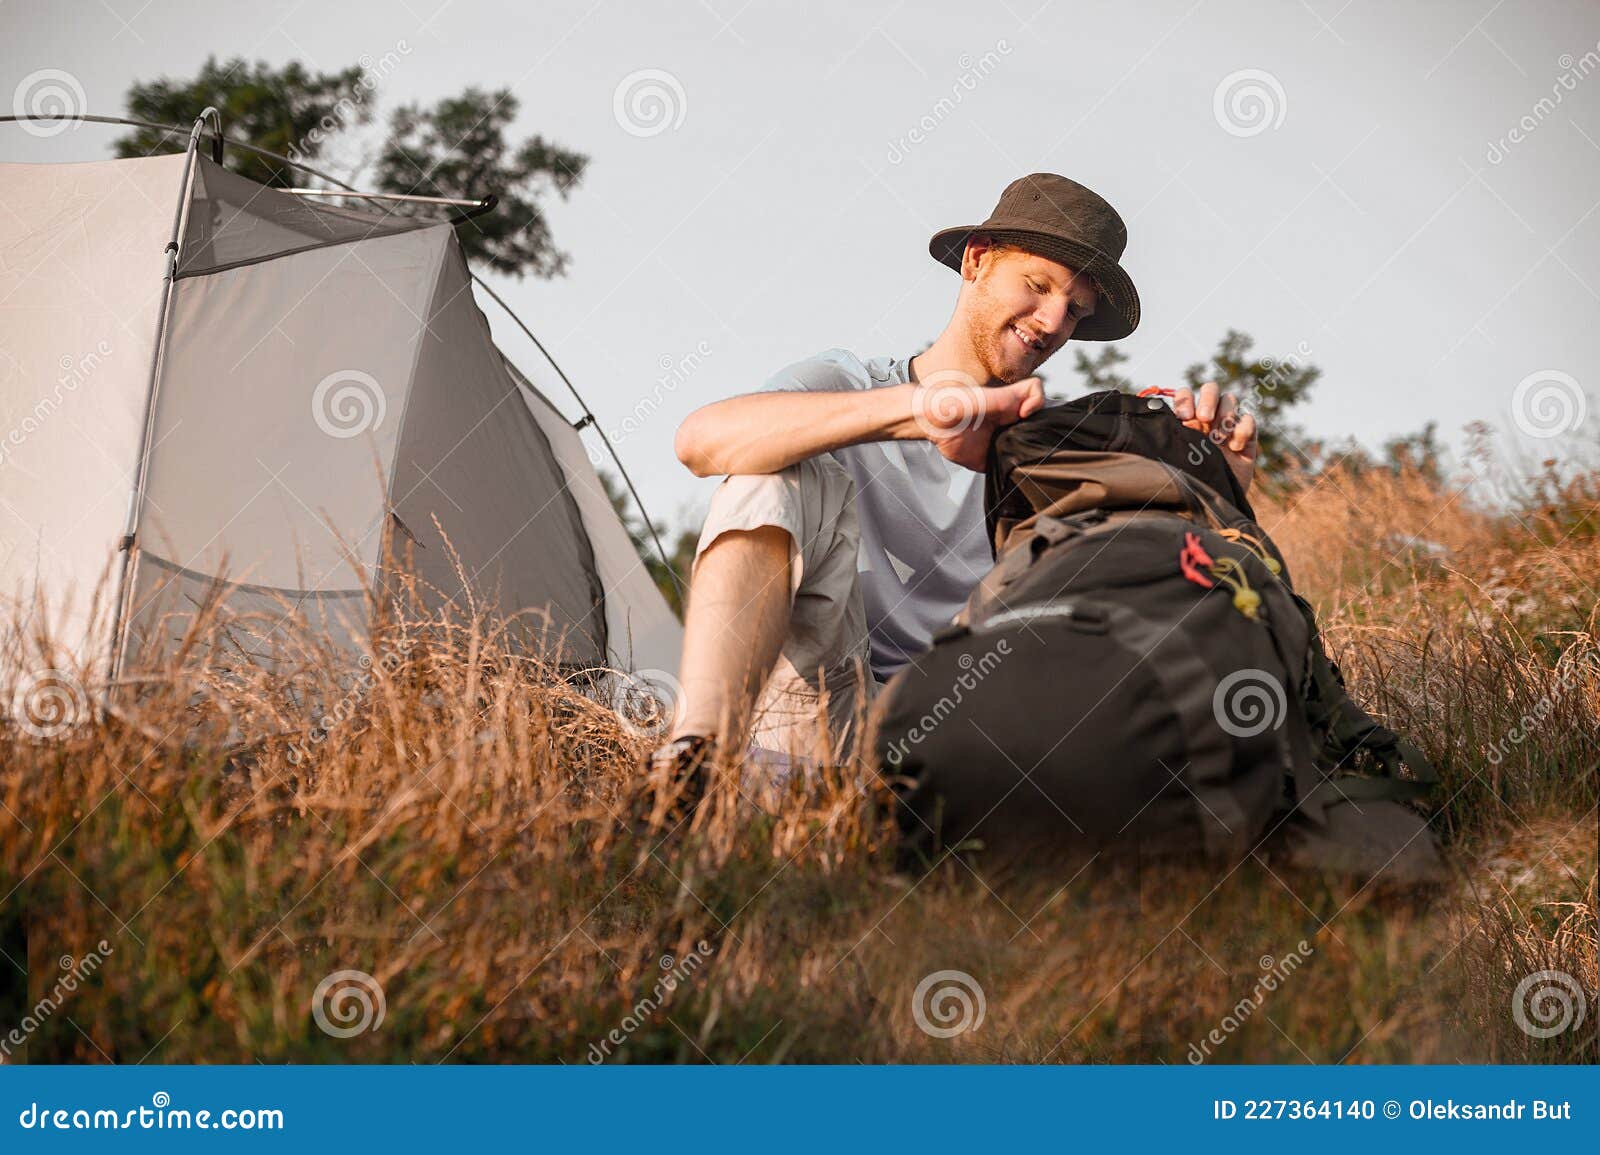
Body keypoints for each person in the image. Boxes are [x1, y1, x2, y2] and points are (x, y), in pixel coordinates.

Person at [652, 172, 1259, 784]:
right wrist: (922, 412)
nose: (1051, 322)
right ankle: (691, 761)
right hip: (818, 717)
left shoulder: (1063, 451)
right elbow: (700, 442)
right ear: (976, 261)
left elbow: (1148, 597)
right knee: (770, 477)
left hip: (964, 736)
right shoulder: (850, 381)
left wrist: (1220, 485)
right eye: (1038, 285)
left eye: (1074, 310)